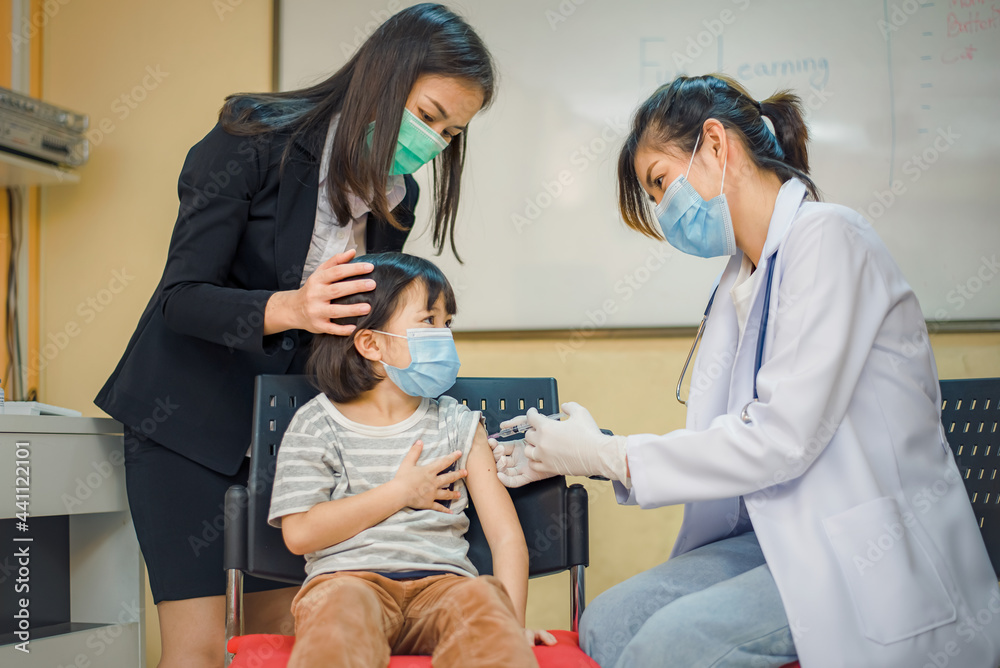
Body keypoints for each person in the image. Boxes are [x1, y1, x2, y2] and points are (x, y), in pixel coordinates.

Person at [491, 74, 1000, 668]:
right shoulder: (741, 277)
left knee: (667, 646)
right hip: (771, 536)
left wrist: (607, 457)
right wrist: (595, 448)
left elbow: (779, 439)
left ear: (715, 144)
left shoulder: (831, 239)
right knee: (609, 620)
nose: (662, 213)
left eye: (660, 183)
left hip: (859, 551)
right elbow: (736, 443)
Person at [93, 5, 496, 666]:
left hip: (289, 434)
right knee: (197, 651)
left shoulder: (399, 195)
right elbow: (182, 299)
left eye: (451, 132)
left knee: (279, 641)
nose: (434, 142)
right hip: (184, 424)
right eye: (427, 115)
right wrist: (291, 307)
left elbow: (355, 327)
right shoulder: (251, 137)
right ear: (383, 76)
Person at [267, 252, 556, 668]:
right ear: (370, 342)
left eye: (447, 323)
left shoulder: (458, 423)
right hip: (349, 583)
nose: (445, 335)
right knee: (338, 611)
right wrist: (400, 492)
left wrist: (511, 621)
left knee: (481, 598)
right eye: (429, 321)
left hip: (445, 585)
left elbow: (506, 537)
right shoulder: (315, 423)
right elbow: (300, 534)